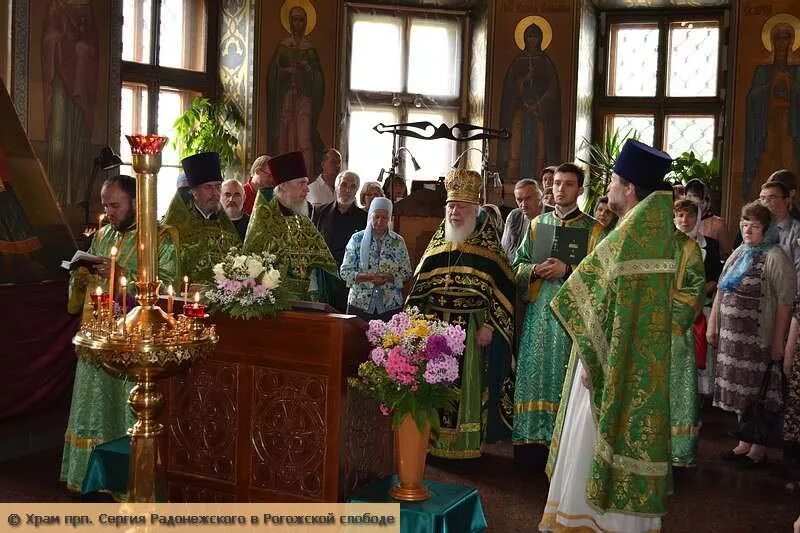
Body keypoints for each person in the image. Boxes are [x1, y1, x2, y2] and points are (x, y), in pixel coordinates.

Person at [540, 140, 704, 532]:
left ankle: (591, 522)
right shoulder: (657, 233)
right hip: (636, 358)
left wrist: (593, 356)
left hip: (607, 359)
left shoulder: (629, 238)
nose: (608, 188)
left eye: (613, 180)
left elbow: (592, 296)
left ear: (629, 188)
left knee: (593, 439)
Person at [61, 175, 178, 497]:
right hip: (100, 337)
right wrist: (82, 275)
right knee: (92, 407)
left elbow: (168, 288)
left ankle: (130, 482)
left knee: (127, 411)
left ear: (136, 203)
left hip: (133, 343)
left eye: (115, 205)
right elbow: (83, 289)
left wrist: (120, 277)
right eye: (105, 205)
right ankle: (90, 477)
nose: (109, 212)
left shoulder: (161, 238)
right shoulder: (101, 235)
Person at [406, 166, 515, 459]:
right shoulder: (437, 244)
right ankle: (434, 443)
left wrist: (490, 326)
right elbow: (420, 288)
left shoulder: (490, 247)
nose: (455, 212)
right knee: (435, 383)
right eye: (451, 206)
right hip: (436, 327)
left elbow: (504, 290)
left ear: (476, 209)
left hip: (471, 327)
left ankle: (464, 447)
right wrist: (418, 324)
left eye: (463, 206)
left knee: (466, 388)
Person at [511, 164, 605, 467]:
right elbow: (517, 265)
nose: (559, 189)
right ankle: (532, 446)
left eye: (568, 184)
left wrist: (567, 270)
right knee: (536, 374)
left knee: (567, 377)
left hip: (572, 319)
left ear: (579, 190)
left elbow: (603, 279)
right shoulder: (538, 224)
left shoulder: (594, 230)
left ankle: (565, 449)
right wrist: (535, 270)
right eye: (557, 184)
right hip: (540, 315)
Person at [709, 201, 795, 467]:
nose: (748, 230)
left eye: (754, 226)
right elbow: (721, 291)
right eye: (744, 224)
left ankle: (757, 448)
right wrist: (713, 324)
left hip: (758, 340)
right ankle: (743, 442)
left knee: (756, 393)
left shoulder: (776, 257)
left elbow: (784, 302)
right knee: (739, 394)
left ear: (766, 229)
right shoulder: (739, 253)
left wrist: (778, 341)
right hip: (732, 341)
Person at [243, 151, 337, 301]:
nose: (307, 189)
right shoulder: (265, 218)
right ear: (284, 186)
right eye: (302, 183)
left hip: (305, 300)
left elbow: (321, 263)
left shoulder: (303, 219)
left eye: (307, 183)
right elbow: (251, 260)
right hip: (271, 300)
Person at [671, 198, 721, 467]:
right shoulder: (660, 242)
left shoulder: (693, 246)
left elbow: (697, 287)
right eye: (678, 215)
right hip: (654, 329)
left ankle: (679, 447)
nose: (684, 220)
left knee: (682, 384)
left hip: (680, 327)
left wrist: (673, 312)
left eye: (689, 215)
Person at [163, 152, 241, 284]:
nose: (215, 193)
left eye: (217, 187)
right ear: (194, 192)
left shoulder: (226, 227)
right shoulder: (177, 228)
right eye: (208, 187)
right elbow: (168, 273)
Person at [267, 4, 324, 177]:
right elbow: (273, 74)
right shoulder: (283, 46)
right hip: (286, 97)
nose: (297, 23)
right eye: (294, 19)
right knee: (284, 139)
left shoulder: (309, 49)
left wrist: (307, 69)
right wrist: (286, 71)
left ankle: (305, 177)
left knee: (304, 139)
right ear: (290, 22)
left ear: (305, 23)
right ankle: (282, 178)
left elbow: (319, 78)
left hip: (304, 98)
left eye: (301, 20)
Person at [340, 197, 411, 320]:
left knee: (389, 339)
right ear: (370, 216)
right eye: (376, 216)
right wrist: (369, 277)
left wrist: (387, 278)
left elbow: (406, 272)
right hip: (359, 303)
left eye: (384, 218)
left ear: (389, 219)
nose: (380, 221)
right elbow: (345, 272)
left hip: (390, 304)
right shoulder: (357, 239)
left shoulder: (398, 241)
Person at [312, 170, 367, 311]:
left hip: (350, 279)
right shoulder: (319, 212)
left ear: (356, 191)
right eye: (343, 185)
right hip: (324, 277)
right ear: (336, 187)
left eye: (353, 186)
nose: (347, 190)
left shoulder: (365, 218)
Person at [759, 181, 800, 288]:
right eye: (762, 198)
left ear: (786, 200)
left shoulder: (796, 231)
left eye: (771, 197)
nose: (765, 202)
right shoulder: (757, 228)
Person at [684, 178, 732, 258]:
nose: (691, 200)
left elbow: (726, 254)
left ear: (704, 199)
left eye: (695, 196)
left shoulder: (718, 224)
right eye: (688, 196)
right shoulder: (682, 221)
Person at [501, 178, 542, 261]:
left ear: (539, 197)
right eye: (519, 200)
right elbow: (505, 248)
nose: (523, 204)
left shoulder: (552, 215)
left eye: (528, 199)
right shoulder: (514, 215)